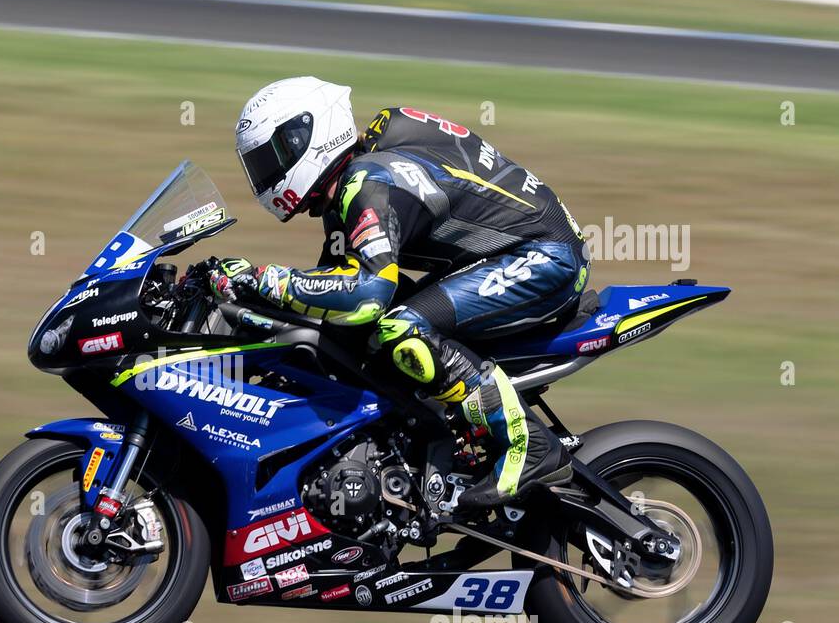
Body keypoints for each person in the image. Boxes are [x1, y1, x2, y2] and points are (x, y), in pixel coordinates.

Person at [215, 76, 590, 509]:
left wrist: (267, 280)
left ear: (309, 134)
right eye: (258, 164)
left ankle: (531, 446)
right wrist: (246, 299)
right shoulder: (354, 181)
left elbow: (367, 295)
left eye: (274, 156)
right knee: (355, 335)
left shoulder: (366, 180)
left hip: (544, 256)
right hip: (507, 253)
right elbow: (328, 290)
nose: (267, 174)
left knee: (399, 328)